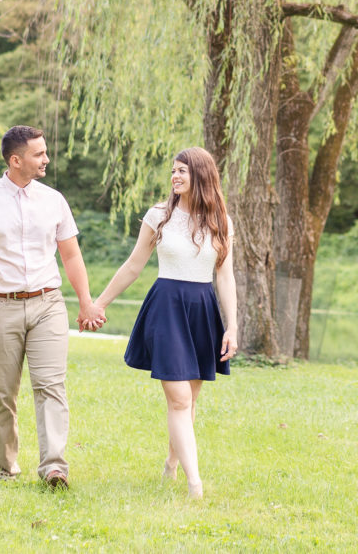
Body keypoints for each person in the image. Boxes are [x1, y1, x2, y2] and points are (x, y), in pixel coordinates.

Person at [89, 146, 239, 499]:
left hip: (202, 309)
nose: (174, 176)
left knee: (190, 398)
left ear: (201, 175)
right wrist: (98, 303)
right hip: (167, 308)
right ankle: (195, 485)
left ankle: (172, 465)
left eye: (182, 171)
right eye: (173, 171)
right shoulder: (158, 216)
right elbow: (133, 265)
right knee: (179, 399)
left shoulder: (221, 221)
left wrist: (232, 326)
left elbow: (226, 277)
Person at [0, 125, 100, 489]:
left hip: (48, 304)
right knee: (2, 392)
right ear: (15, 159)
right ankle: (4, 468)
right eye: (39, 154)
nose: (46, 159)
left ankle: (54, 468)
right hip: (0, 306)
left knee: (51, 385)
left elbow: (70, 254)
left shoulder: (54, 200)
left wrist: (85, 302)